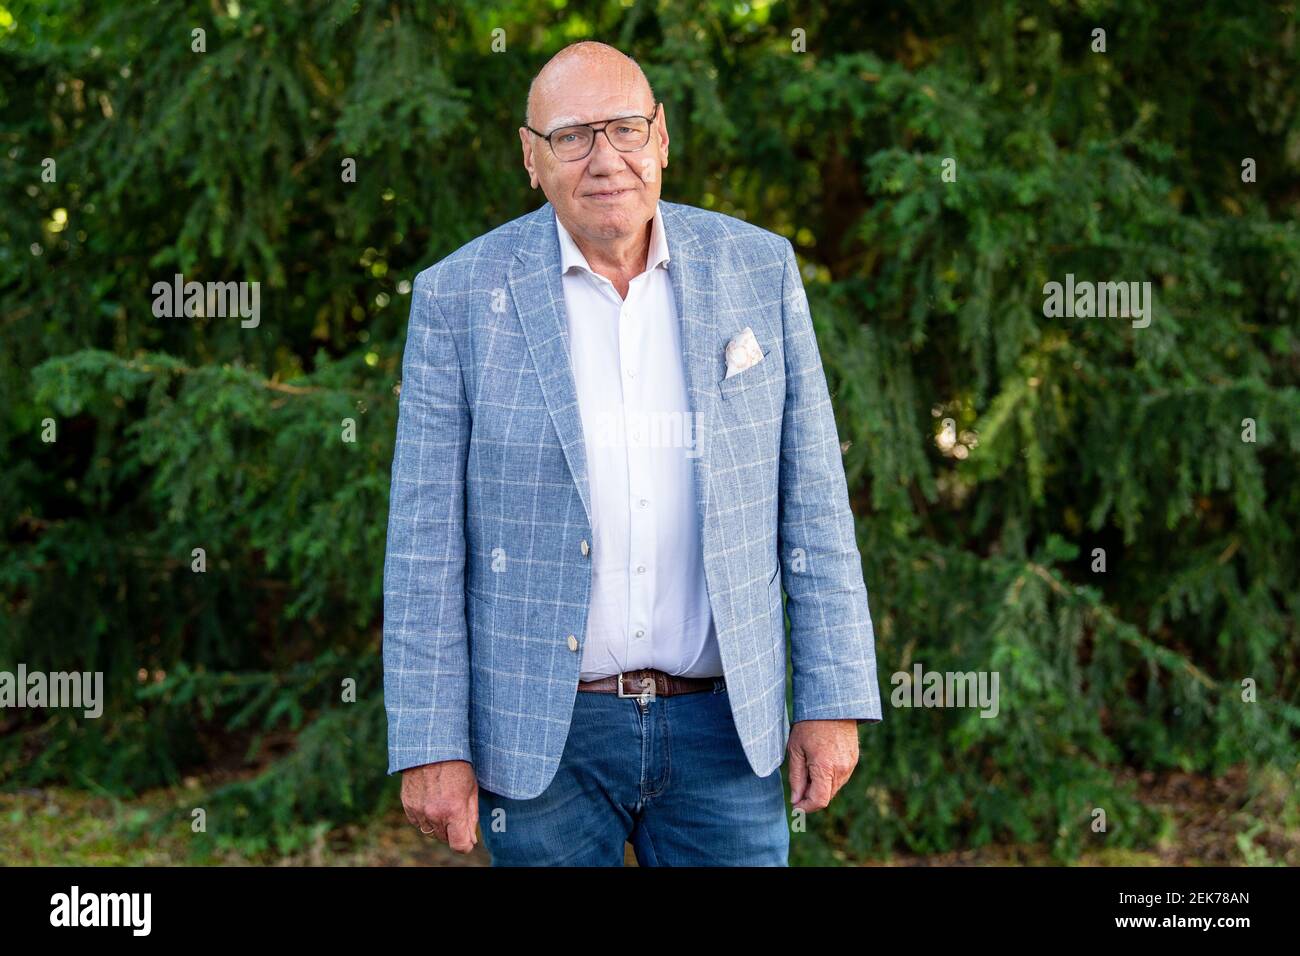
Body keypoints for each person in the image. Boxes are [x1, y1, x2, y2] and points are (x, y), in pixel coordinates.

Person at [383, 40, 881, 866]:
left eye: (624, 128)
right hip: (542, 742)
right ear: (531, 158)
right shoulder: (459, 296)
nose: (605, 158)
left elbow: (816, 500)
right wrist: (432, 741)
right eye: (572, 136)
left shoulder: (758, 268)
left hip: (727, 731)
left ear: (661, 138)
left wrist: (832, 697)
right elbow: (423, 543)